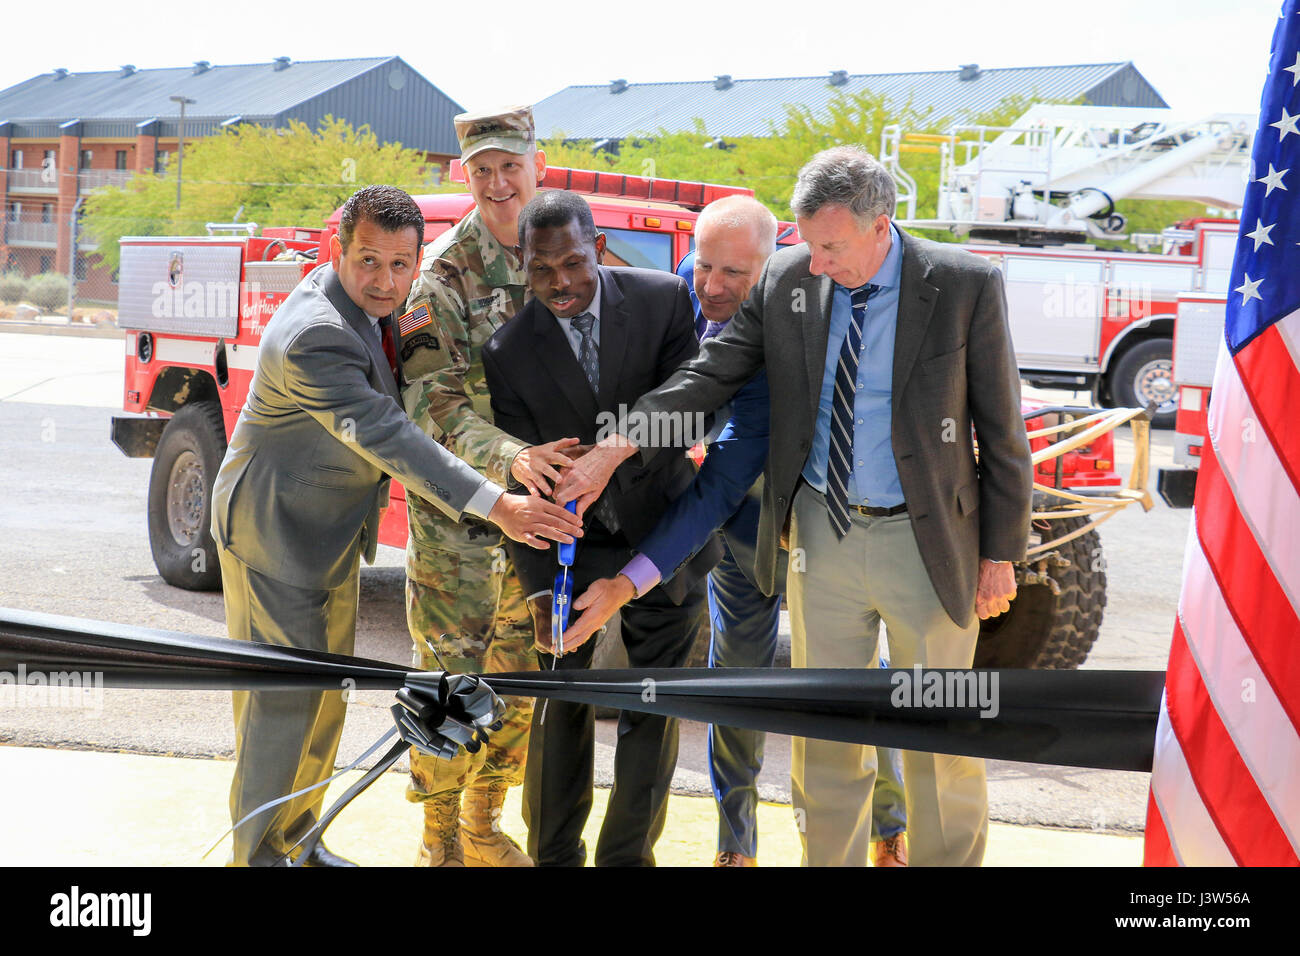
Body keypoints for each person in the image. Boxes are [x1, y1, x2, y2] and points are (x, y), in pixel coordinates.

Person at [556, 146, 1034, 867]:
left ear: (882, 225)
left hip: (928, 540)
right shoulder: (787, 276)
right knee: (823, 738)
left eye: (832, 247)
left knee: (938, 734)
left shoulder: (963, 283)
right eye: (807, 244)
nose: (816, 265)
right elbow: (712, 373)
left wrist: (999, 554)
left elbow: (1002, 429)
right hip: (821, 536)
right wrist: (616, 446)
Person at [210, 184, 581, 868]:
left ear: (417, 261)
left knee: (322, 699)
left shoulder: (378, 312)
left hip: (322, 533)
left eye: (400, 265)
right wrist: (499, 502)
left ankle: (298, 841)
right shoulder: (315, 333)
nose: (385, 281)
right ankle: (257, 858)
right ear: (335, 251)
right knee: (281, 711)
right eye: (368, 261)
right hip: (275, 533)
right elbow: (387, 435)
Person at [563, 196, 909, 867]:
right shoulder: (686, 299)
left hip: (822, 532)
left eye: (736, 277)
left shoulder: (798, 315)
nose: (715, 287)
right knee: (736, 683)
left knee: (849, 684)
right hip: (742, 539)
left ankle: (885, 830)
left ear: (774, 266)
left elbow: (721, 481)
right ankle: (735, 846)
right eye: (705, 267)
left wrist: (630, 582)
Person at [480, 190, 719, 866]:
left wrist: (618, 449)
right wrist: (538, 596)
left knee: (652, 707)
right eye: (542, 269)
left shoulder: (663, 301)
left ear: (600, 251)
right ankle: (554, 855)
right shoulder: (508, 351)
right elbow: (521, 487)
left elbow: (693, 417)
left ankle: (626, 857)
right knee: (560, 704)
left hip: (662, 537)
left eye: (575, 263)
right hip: (567, 551)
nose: (561, 283)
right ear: (522, 265)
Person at [395, 106, 580, 867]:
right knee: (448, 690)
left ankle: (481, 822)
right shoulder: (437, 278)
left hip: (539, 530)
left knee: (519, 686)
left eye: (512, 166)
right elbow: (430, 409)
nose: (499, 183)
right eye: (483, 171)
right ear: (462, 176)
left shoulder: (563, 263)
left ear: (539, 166)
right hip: (461, 539)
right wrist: (514, 458)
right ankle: (437, 842)